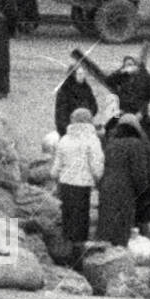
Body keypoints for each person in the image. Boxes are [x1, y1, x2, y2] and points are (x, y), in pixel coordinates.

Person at [97, 114, 150, 248]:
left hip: (108, 188)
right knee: (129, 223)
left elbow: (101, 167)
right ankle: (145, 245)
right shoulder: (141, 144)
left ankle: (107, 251)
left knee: (109, 223)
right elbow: (142, 172)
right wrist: (141, 189)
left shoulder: (111, 144)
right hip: (134, 190)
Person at [51, 108, 104, 267]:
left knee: (67, 219)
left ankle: (64, 256)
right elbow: (96, 165)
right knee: (81, 222)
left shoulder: (65, 139)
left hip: (65, 185)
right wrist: (98, 179)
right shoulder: (92, 140)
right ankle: (78, 260)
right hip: (82, 186)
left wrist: (55, 176)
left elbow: (56, 166)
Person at [73, 47, 150, 122]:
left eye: (131, 64)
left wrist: (142, 112)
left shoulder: (145, 77)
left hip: (140, 113)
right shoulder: (121, 76)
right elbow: (109, 81)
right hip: (123, 111)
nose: (129, 67)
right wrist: (122, 72)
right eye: (126, 64)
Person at [54, 60, 97, 136]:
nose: (82, 76)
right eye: (80, 74)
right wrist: (66, 129)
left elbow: (94, 105)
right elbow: (61, 113)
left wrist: (86, 114)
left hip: (86, 126)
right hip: (69, 128)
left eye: (84, 73)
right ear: (73, 75)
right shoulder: (64, 90)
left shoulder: (87, 88)